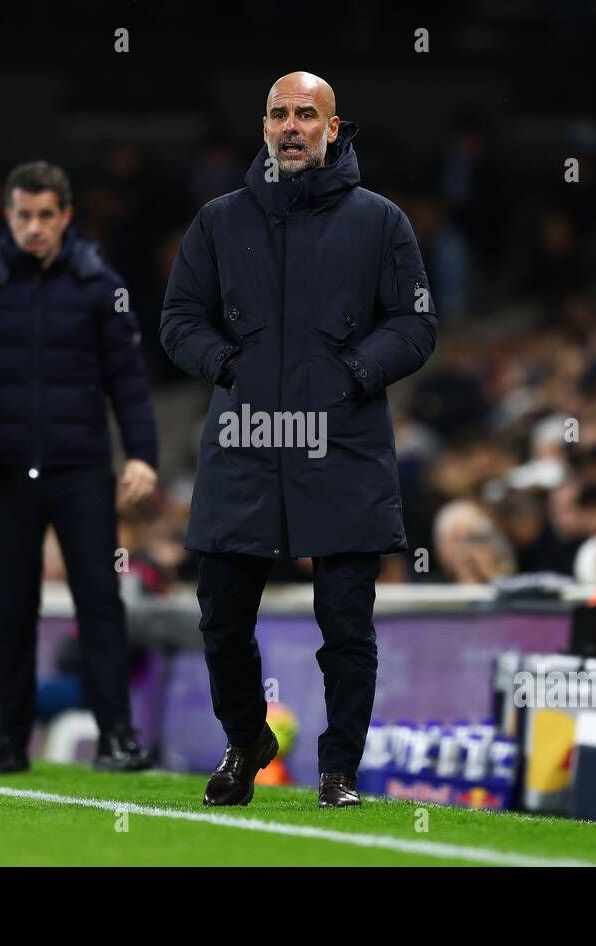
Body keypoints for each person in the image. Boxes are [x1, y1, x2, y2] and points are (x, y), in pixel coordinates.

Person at [160, 71, 438, 808]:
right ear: (263, 127)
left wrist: (352, 375)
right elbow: (179, 319)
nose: (292, 125)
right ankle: (246, 738)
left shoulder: (381, 221)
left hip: (340, 444)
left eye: (307, 114)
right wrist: (227, 364)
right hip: (244, 441)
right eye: (280, 113)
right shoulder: (219, 220)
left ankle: (339, 770)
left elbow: (415, 324)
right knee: (220, 614)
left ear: (334, 128)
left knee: (346, 624)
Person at [0, 161, 157, 774]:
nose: (34, 227)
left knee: (99, 601)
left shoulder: (99, 284)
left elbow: (129, 380)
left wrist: (143, 456)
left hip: (81, 469)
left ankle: (117, 738)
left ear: (65, 217)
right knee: (12, 609)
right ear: (8, 216)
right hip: (3, 471)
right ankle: (9, 741)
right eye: (23, 215)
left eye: (45, 216)